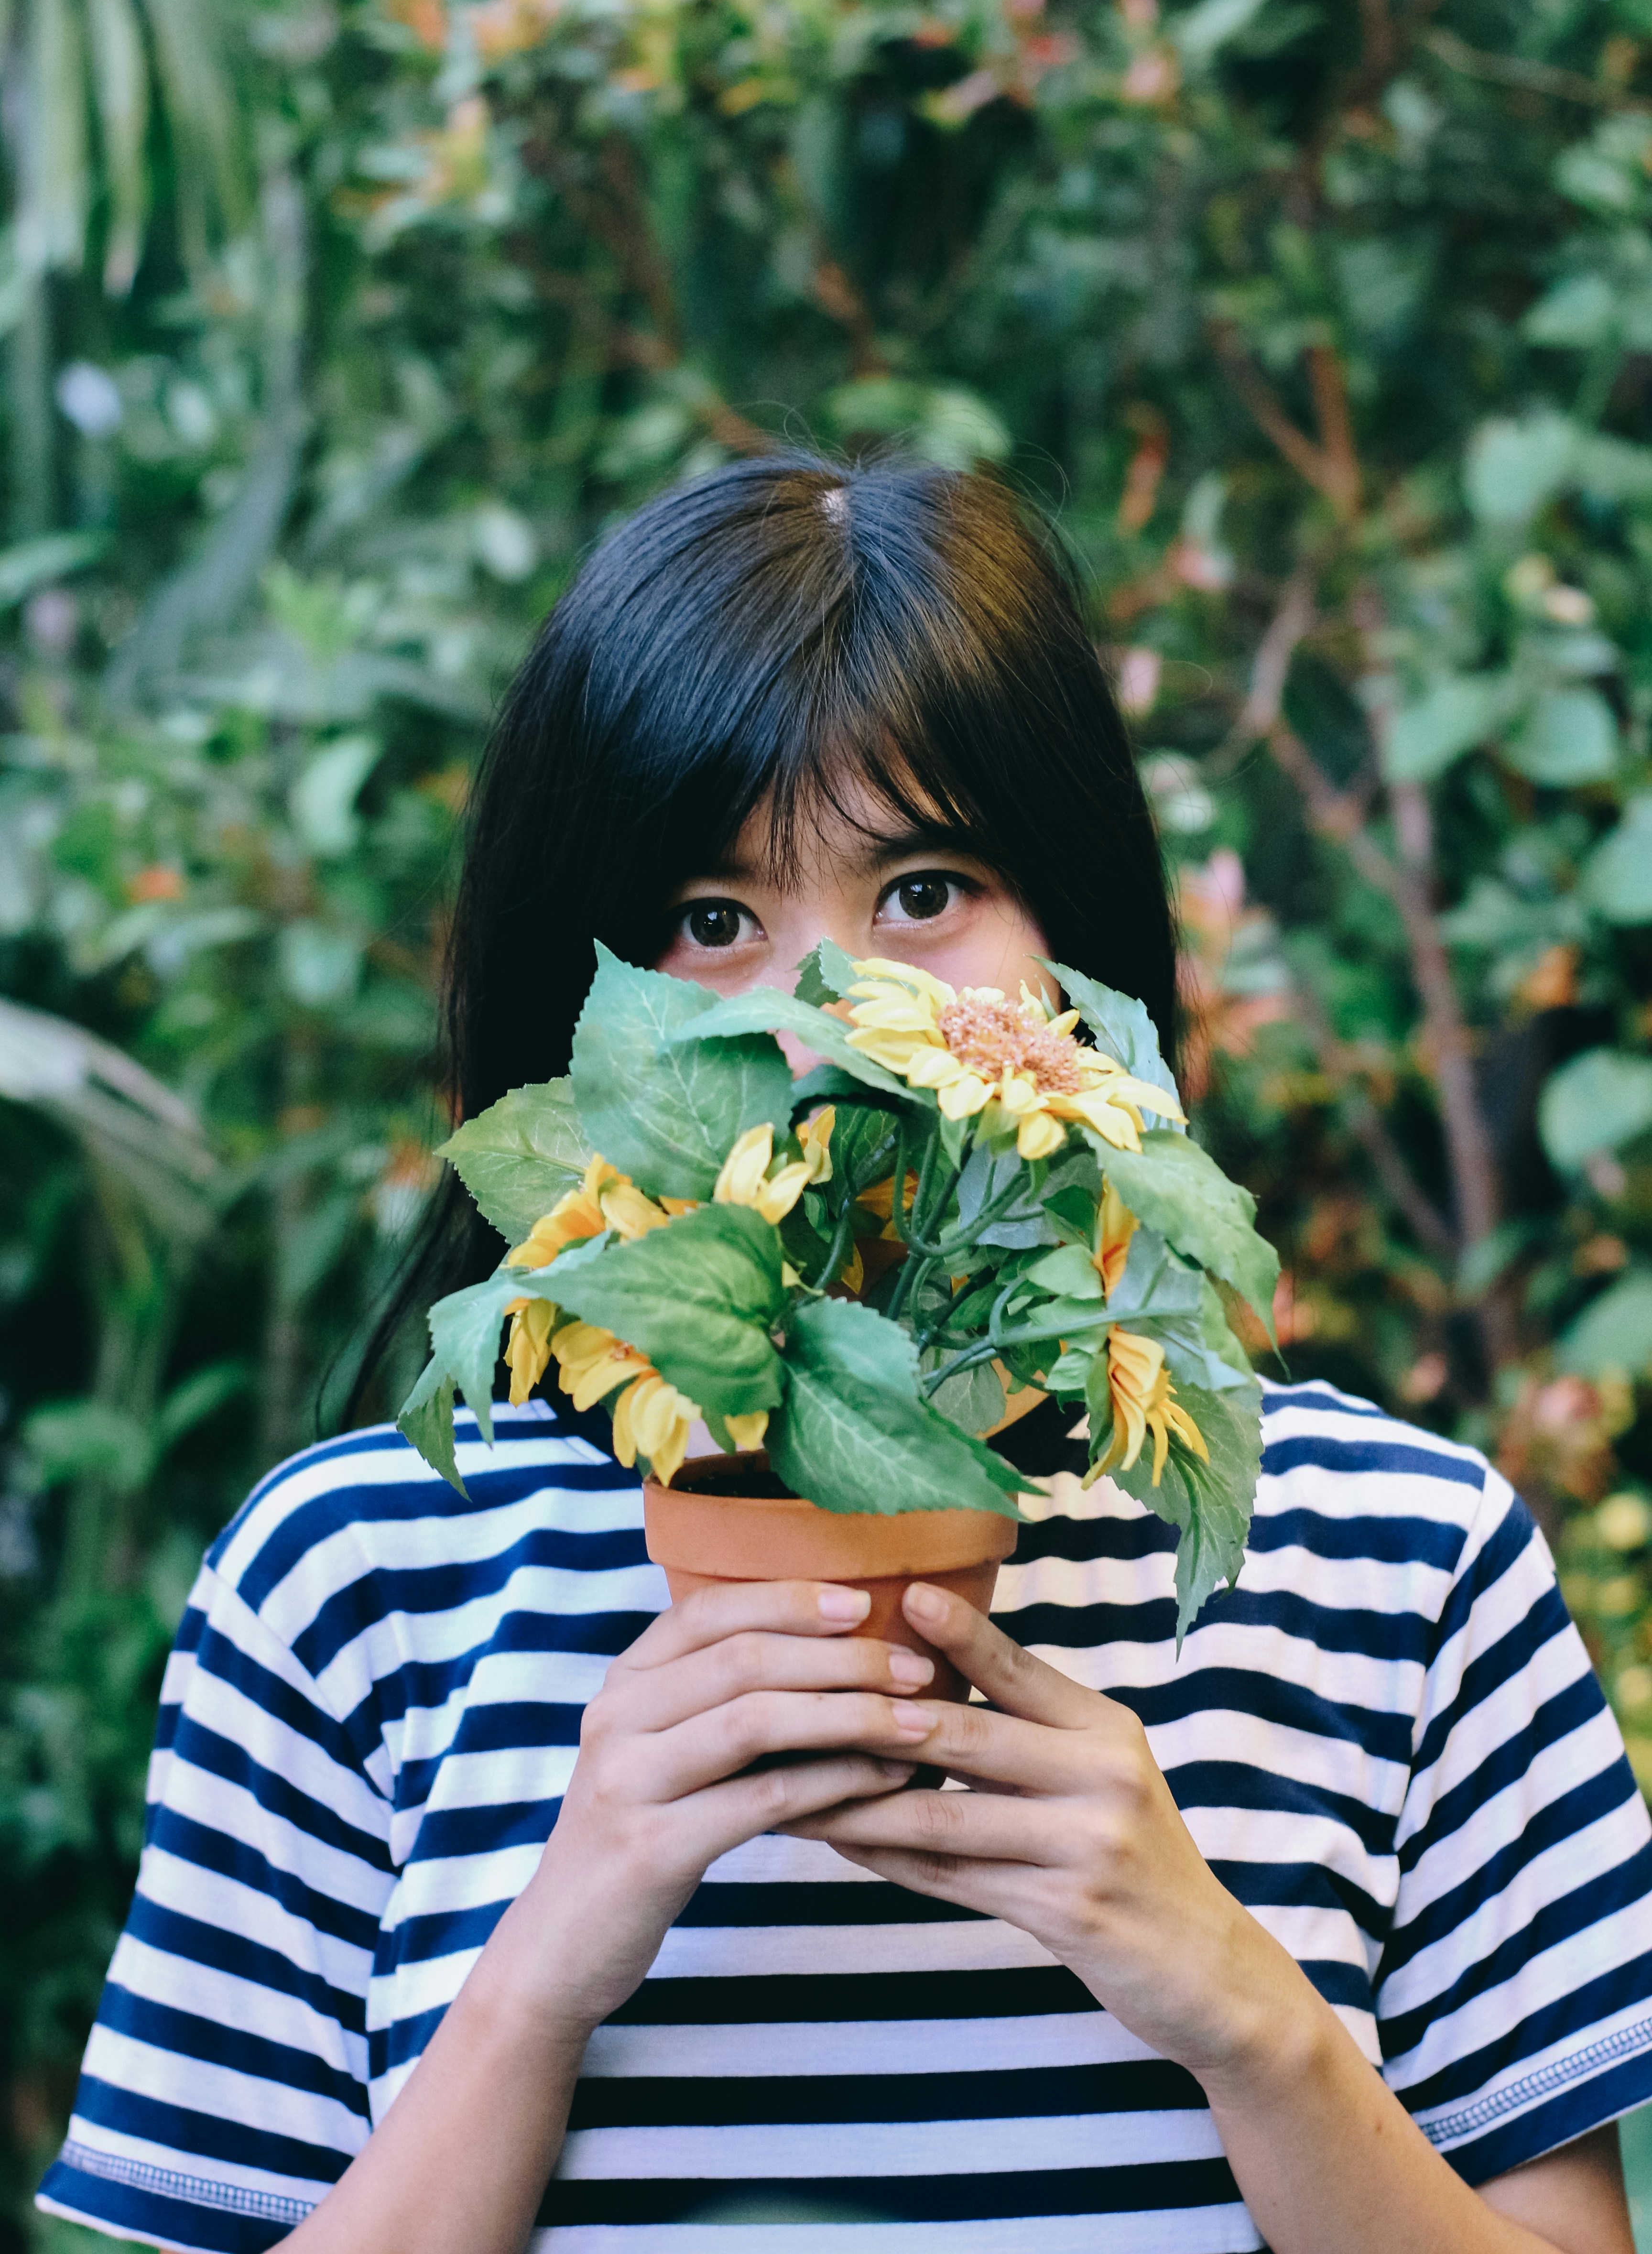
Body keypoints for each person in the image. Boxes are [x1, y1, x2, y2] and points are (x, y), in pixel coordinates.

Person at [37, 456, 1652, 2254]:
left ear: (1079, 950)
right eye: (713, 923)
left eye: (927, 891)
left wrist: (1248, 2018)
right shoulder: (355, 1584)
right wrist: (541, 1980)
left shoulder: (1398, 1563)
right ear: (572, 1009)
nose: (829, 1030)